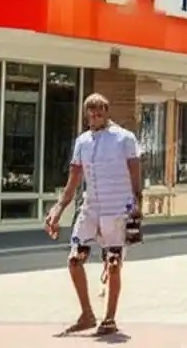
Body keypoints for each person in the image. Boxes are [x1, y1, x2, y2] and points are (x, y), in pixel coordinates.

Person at [45, 93, 142, 337]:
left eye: (100, 112)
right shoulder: (83, 141)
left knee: (113, 263)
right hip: (91, 207)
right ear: (86, 115)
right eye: (91, 113)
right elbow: (74, 179)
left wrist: (137, 206)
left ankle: (109, 318)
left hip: (118, 207)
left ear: (107, 112)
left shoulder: (124, 139)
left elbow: (135, 174)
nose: (95, 117)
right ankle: (87, 314)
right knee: (75, 259)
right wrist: (58, 209)